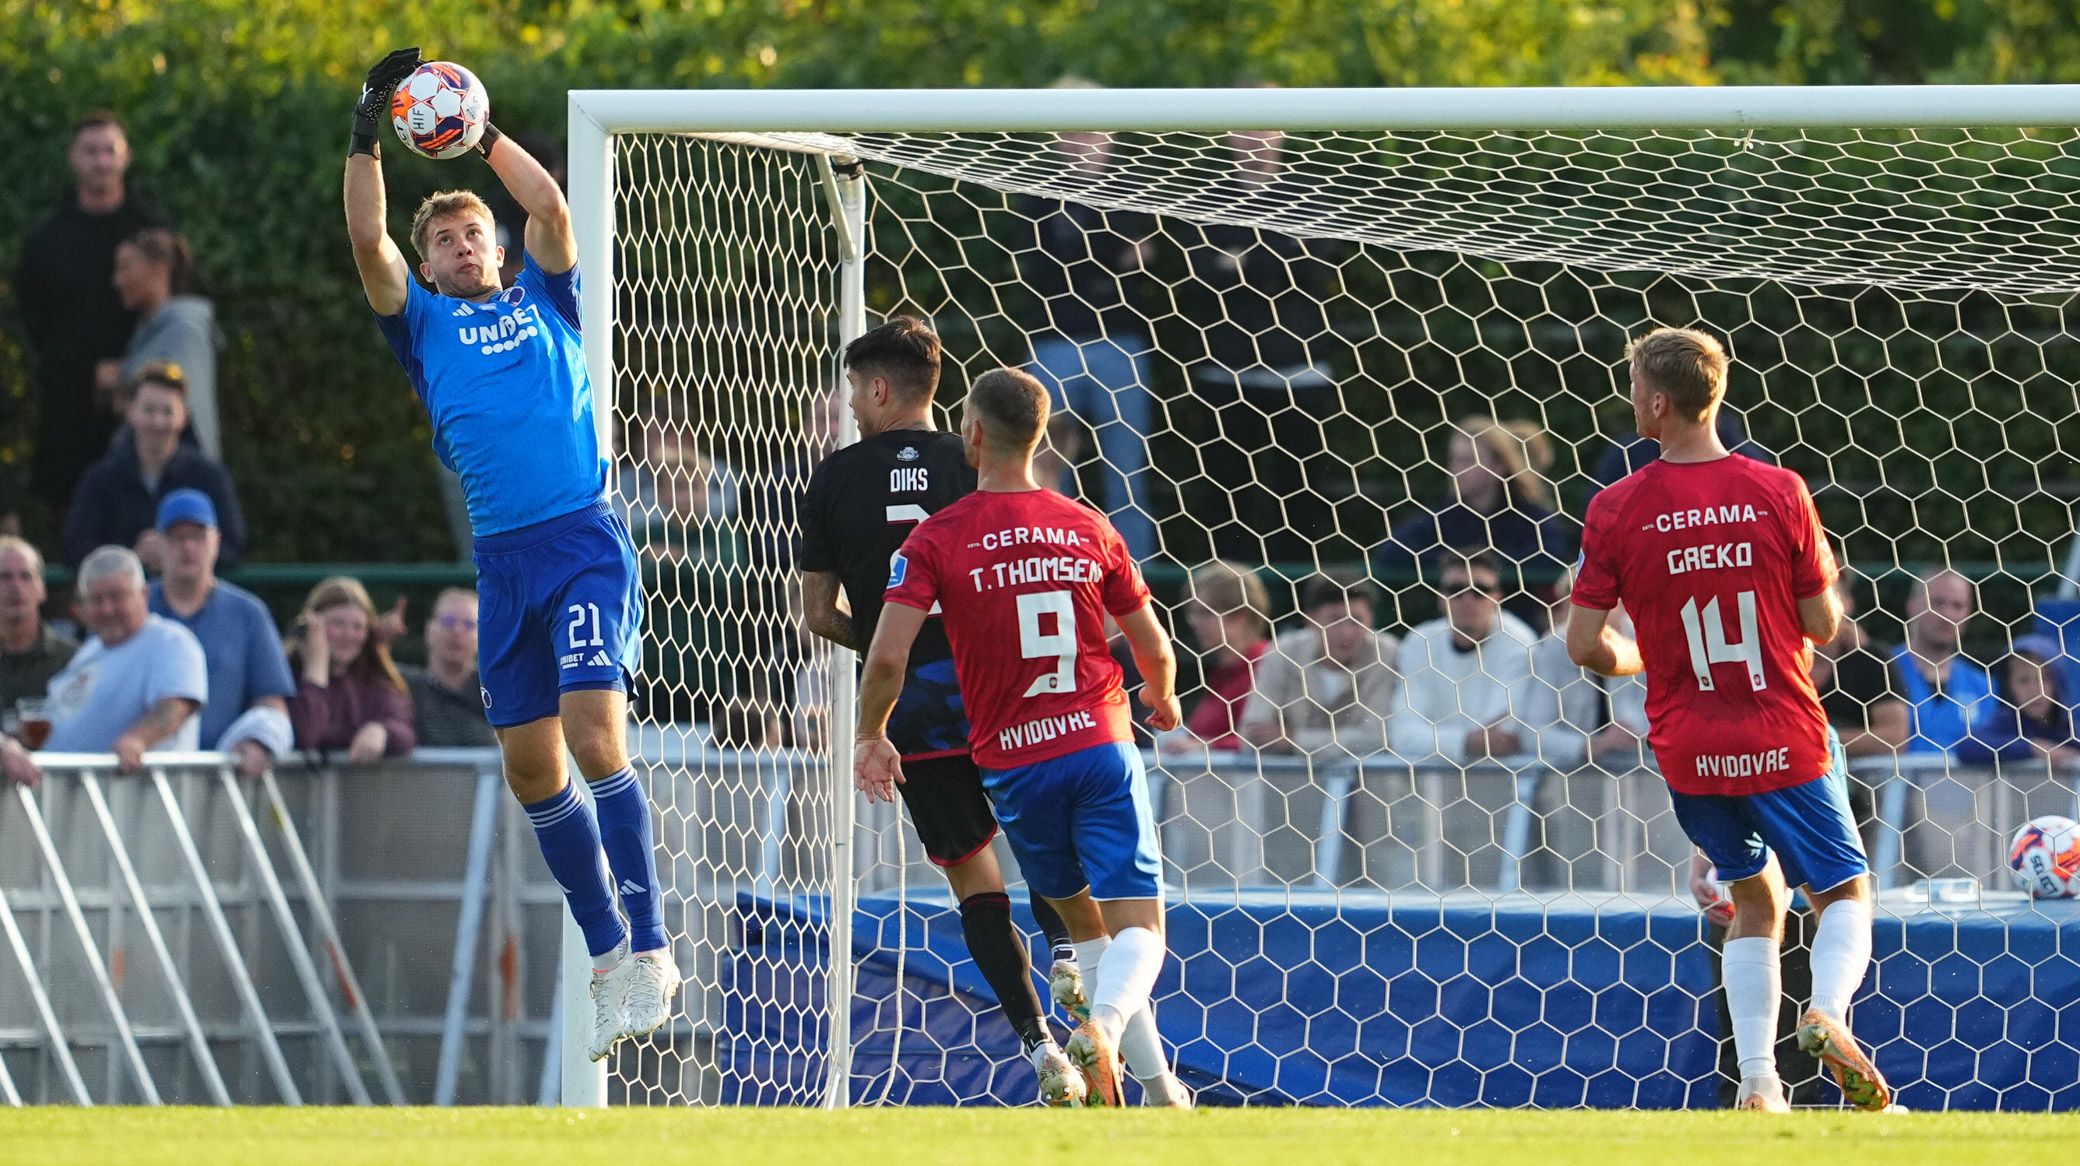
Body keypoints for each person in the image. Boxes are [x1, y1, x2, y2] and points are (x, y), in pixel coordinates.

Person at [346, 47, 673, 1063]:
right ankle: (612, 953)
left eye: (472, 232)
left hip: (581, 538)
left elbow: (551, 208)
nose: (461, 245)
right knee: (531, 765)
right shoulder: (424, 326)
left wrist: (475, 130)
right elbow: (366, 235)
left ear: (496, 245)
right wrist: (369, 129)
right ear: (431, 262)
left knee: (590, 730)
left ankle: (656, 944)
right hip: (503, 562)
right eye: (443, 239)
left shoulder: (548, 297)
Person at [1567, 326, 1889, 1113]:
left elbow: (1586, 645)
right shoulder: (1779, 491)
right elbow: (1820, 625)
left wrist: (1646, 658)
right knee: (1843, 892)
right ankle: (1827, 1013)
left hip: (1688, 744)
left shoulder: (1616, 506)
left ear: (1655, 400)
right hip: (1781, 730)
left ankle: (1758, 1084)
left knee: (1752, 901)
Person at [855, 367, 1187, 1109]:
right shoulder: (1088, 525)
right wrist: (1161, 697)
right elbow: (1153, 647)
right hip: (1098, 743)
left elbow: (885, 655)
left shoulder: (935, 537)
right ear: (1041, 437)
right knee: (1140, 929)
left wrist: (871, 733)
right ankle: (1102, 1025)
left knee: (1087, 932)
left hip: (1012, 765)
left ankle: (1161, 1095)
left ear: (972, 433)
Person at [798, 319, 1096, 1106]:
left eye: (855, 391)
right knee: (1041, 842)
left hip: (913, 711)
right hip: (1002, 689)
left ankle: (1038, 1047)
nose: (851, 406)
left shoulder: (830, 481)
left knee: (973, 878)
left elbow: (816, 615)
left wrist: (890, 640)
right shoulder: (979, 463)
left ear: (880, 389)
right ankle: (1068, 954)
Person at [1017, 92, 1161, 560]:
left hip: (1121, 341)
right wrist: (1111, 253)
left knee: (1127, 473)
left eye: (1092, 129)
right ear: (1058, 135)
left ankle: (1133, 582)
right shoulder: (1037, 194)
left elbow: (1148, 259)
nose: (1084, 141)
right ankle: (1054, 562)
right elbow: (1038, 265)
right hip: (1053, 342)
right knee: (1047, 466)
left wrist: (1081, 248)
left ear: (1110, 133)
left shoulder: (1132, 187)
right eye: (1074, 130)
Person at [15, 112, 169, 515]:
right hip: (69, 410)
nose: (101, 161)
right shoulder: (45, 243)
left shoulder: (154, 233)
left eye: (110, 150)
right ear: (73, 158)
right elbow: (35, 322)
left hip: (146, 407)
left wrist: (130, 372)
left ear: (126, 156)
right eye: (91, 151)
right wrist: (83, 370)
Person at [147, 490, 295, 777]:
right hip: (143, 777)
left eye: (198, 537)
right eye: (177, 538)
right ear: (158, 545)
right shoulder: (135, 608)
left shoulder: (249, 613)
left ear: (216, 542)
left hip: (226, 779)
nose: (188, 547)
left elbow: (272, 704)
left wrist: (259, 741)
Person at [62, 364, 247, 572]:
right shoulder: (100, 478)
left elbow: (233, 546)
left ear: (184, 416)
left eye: (168, 411)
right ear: (130, 412)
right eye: (149, 410)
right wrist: (131, 558)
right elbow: (77, 547)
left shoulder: (210, 477)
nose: (158, 422)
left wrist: (176, 554)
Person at [41, 546, 206, 771]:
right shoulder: (87, 652)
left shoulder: (170, 641)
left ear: (144, 594)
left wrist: (136, 740)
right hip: (68, 796)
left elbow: (176, 706)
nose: (107, 609)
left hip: (136, 797)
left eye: (117, 597)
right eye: (97, 599)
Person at [1374, 417, 1574, 584]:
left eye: (1468, 461)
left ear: (1499, 466)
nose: (1456, 470)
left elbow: (1551, 557)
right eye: (1454, 459)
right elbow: (1391, 551)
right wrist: (1454, 563)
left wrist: (1485, 565)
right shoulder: (1444, 517)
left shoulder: (1532, 518)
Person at [1385, 553, 1539, 765]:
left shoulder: (1519, 642)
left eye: (1480, 591)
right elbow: (1401, 734)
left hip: (1502, 775)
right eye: (1455, 590)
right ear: (1441, 597)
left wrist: (1436, 739)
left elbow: (1505, 735)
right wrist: (1467, 741)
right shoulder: (1419, 642)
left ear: (1497, 598)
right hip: (1432, 779)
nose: (1467, 599)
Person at [1238, 570, 1400, 761]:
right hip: (1289, 784)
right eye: (1335, 620)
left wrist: (1294, 740)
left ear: (1370, 619)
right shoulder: (1284, 652)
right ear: (1311, 620)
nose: (1346, 632)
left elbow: (1380, 737)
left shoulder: (1385, 653)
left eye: (1356, 620)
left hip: (1367, 783)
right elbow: (1252, 733)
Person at [104, 228, 222, 459]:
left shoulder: (184, 331)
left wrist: (121, 387)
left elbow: (175, 402)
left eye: (126, 268)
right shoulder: (148, 332)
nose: (117, 281)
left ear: (159, 270)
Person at [285, 576, 416, 760]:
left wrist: (382, 731)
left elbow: (406, 731)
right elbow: (305, 735)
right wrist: (316, 670)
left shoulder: (374, 677)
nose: (348, 635)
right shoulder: (285, 674)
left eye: (357, 627)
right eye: (338, 624)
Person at [1887, 568, 1994, 758]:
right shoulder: (1881, 671)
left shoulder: (1984, 687)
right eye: (1937, 603)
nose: (1947, 615)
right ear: (1912, 606)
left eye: (1958, 606)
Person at [1171, 560, 1272, 753]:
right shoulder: (1223, 672)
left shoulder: (1266, 668)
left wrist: (1207, 746)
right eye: (1192, 613)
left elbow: (1261, 739)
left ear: (1241, 616)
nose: (1194, 622)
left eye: (1206, 613)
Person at [1959, 634, 2080, 767]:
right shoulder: (2006, 723)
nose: (2034, 690)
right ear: (2009, 685)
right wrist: (2034, 748)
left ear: (2058, 682)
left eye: (2044, 678)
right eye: (2023, 681)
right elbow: (1967, 746)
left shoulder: (2070, 730)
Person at [404, 588, 497, 748]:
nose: (457, 631)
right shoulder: (405, 686)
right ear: (429, 630)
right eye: (448, 621)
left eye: (469, 625)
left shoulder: (497, 691)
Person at [0, 536, 77, 714]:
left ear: (41, 589)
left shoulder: (73, 661)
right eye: (4, 577)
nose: (16, 586)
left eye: (26, 576)